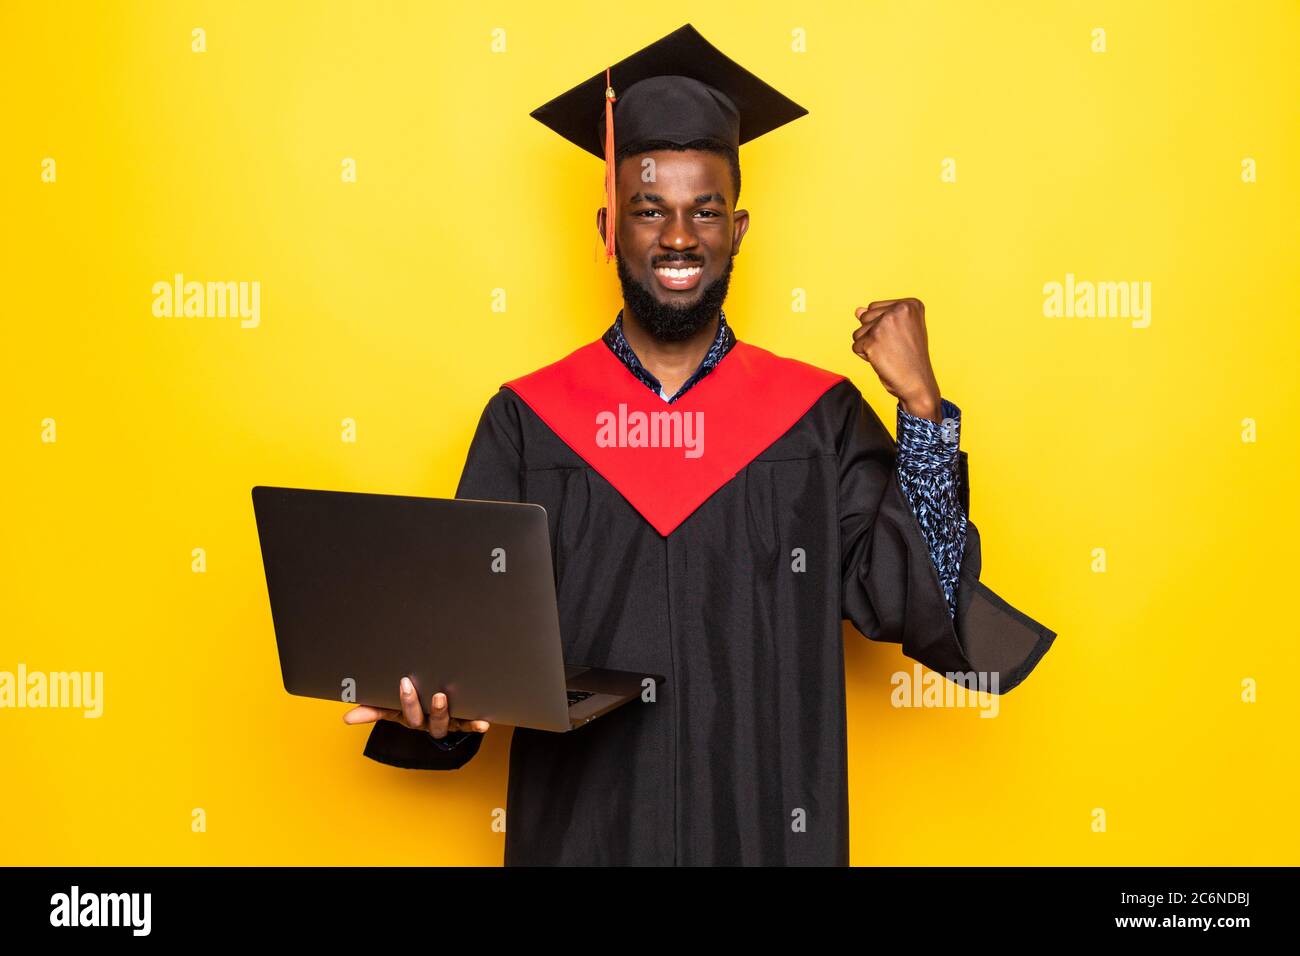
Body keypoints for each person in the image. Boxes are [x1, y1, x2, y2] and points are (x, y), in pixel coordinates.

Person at [342, 23, 1056, 866]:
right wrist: (437, 708)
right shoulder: (530, 422)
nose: (678, 237)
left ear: (738, 227)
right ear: (611, 224)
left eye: (704, 210)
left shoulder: (814, 420)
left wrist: (923, 411)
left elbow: (914, 597)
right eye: (650, 209)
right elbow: (469, 653)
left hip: (769, 837)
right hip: (581, 840)